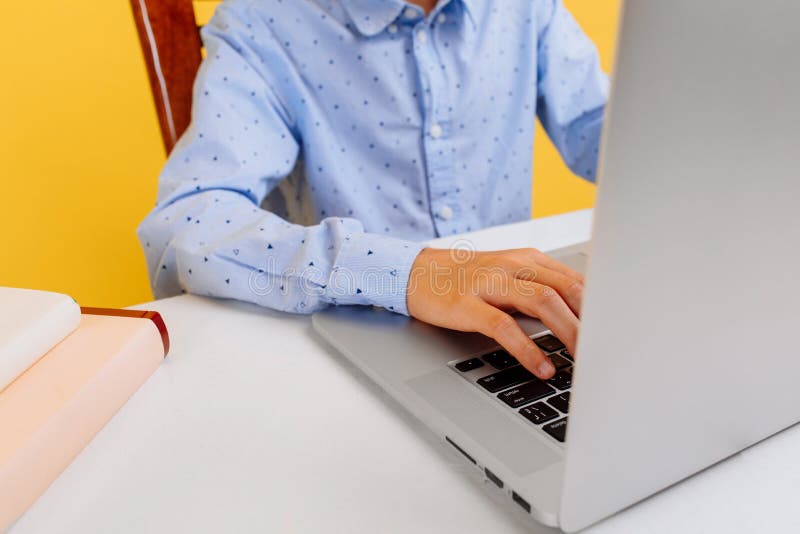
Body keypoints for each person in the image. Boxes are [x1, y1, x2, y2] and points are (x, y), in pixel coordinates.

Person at [138, 0, 608, 380]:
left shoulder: (525, 8)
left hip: (525, 321)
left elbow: (601, 129)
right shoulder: (263, 21)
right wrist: (404, 273)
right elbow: (185, 224)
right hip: (354, 344)